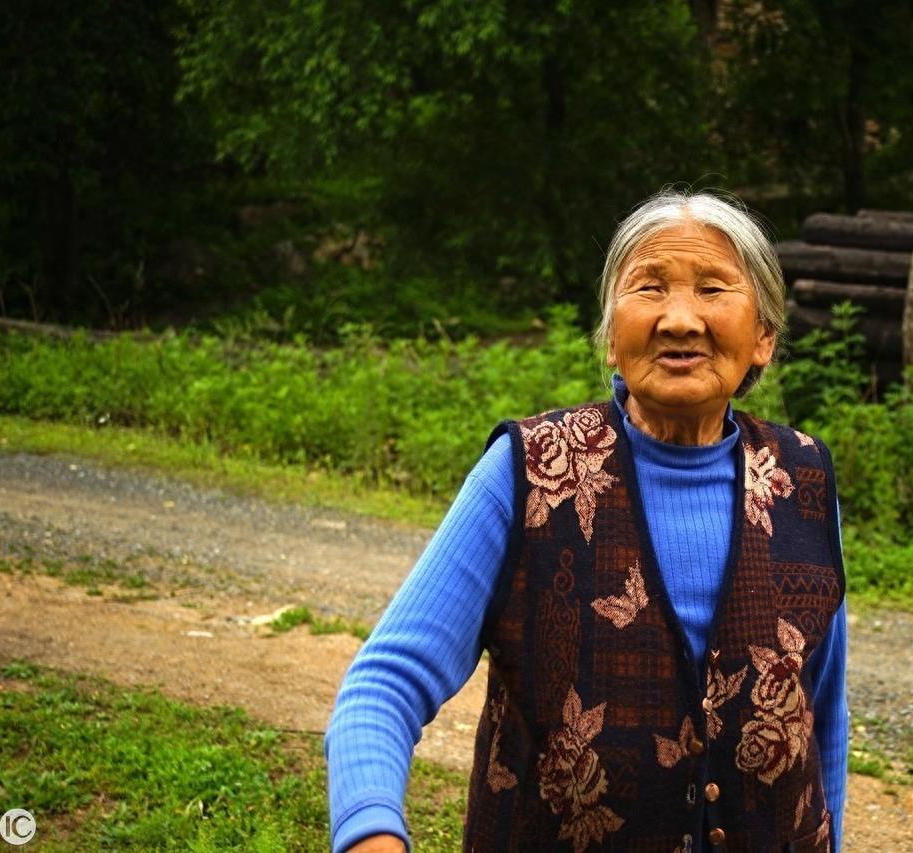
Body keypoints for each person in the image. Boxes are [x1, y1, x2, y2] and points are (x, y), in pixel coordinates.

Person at [326, 190, 848, 852]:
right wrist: (370, 831)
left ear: (764, 338)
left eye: (713, 288)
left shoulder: (803, 477)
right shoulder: (528, 473)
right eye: (649, 287)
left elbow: (820, 717)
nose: (679, 319)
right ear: (609, 335)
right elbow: (384, 686)